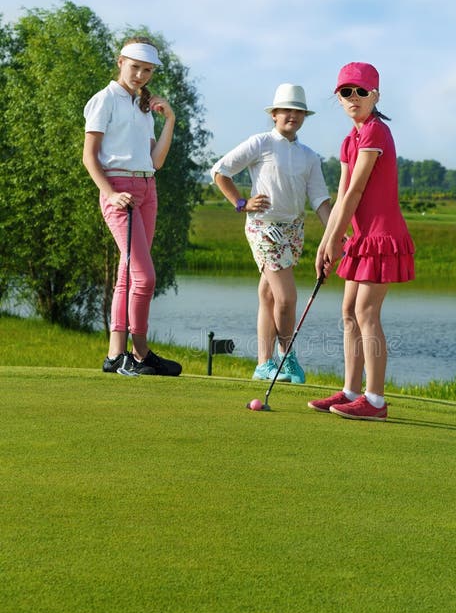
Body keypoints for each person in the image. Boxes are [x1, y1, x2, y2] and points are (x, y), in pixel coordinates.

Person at [307, 62, 415, 421]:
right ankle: (351, 390)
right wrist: (328, 241)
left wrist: (336, 238)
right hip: (361, 236)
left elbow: (356, 190)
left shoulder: (375, 132)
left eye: (361, 92)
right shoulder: (349, 139)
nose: (354, 98)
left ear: (375, 96)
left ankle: (376, 400)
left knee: (367, 313)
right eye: (346, 92)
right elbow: (340, 196)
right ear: (338, 98)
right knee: (348, 313)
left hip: (382, 236)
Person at [211, 84, 331, 383]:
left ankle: (264, 364)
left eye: (298, 111)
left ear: (304, 116)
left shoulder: (310, 156)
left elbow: (319, 200)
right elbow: (220, 171)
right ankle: (286, 359)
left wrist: (335, 233)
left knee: (268, 295)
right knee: (287, 297)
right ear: (274, 114)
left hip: (294, 229)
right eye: (286, 110)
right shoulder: (260, 143)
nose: (292, 115)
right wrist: (241, 202)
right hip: (264, 227)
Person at [83, 36, 182, 376]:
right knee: (145, 277)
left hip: (146, 189)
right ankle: (139, 353)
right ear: (120, 61)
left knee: (129, 274)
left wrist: (169, 120)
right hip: (119, 190)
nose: (140, 75)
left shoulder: (144, 107)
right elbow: (89, 156)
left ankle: (116, 355)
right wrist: (109, 193)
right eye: (135, 67)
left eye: (148, 70)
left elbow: (155, 162)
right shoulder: (104, 100)